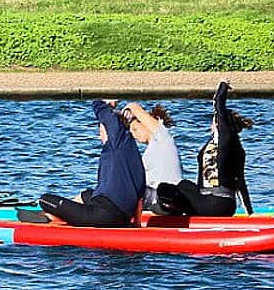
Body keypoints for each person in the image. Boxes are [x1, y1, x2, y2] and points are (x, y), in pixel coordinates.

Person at [38, 99, 146, 228]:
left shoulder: (117, 141)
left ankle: (51, 218)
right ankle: (61, 214)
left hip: (102, 217)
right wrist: (137, 225)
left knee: (45, 199)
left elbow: (102, 110)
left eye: (101, 128)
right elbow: (139, 197)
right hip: (122, 218)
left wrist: (103, 102)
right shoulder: (133, 155)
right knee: (88, 194)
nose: (100, 134)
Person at [157, 81, 254, 217]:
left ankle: (177, 220)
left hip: (214, 205)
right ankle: (186, 215)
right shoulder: (237, 148)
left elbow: (219, 105)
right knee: (183, 185)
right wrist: (249, 213)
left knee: (164, 189)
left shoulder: (225, 140)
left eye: (214, 120)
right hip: (224, 205)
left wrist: (223, 87)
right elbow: (241, 184)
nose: (211, 124)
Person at [124, 101, 181, 215]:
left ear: (145, 124)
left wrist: (131, 108)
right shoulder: (151, 150)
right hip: (154, 197)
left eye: (135, 129)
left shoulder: (164, 140)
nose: (134, 135)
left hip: (166, 196)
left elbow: (137, 109)